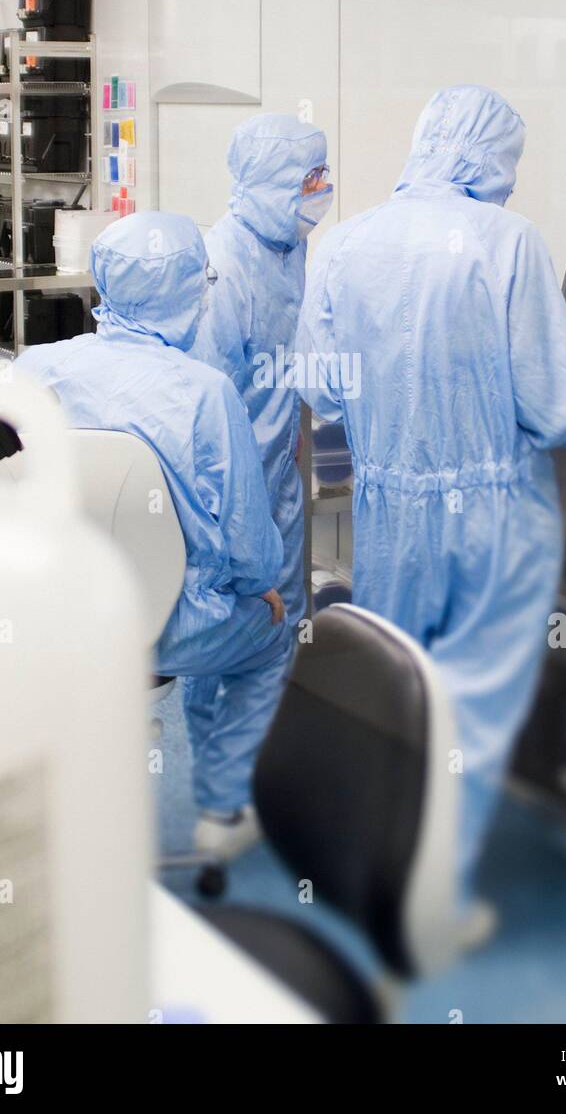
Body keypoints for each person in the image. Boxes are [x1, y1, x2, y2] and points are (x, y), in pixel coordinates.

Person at [295, 84, 566, 916]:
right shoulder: (506, 242)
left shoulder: (343, 244)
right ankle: (432, 903)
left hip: (388, 514)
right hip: (492, 519)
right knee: (469, 712)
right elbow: (559, 410)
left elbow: (324, 393)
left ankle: (377, 860)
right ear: (489, 162)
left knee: (397, 688)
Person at [14, 211, 290, 861]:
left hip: (60, 610)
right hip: (172, 621)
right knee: (272, 634)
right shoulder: (204, 392)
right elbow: (250, 545)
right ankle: (220, 810)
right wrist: (263, 590)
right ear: (185, 292)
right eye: (202, 285)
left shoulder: (36, 367)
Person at [188, 113, 332, 738]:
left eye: (323, 177)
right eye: (310, 180)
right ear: (272, 183)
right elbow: (208, 403)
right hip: (234, 481)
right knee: (232, 617)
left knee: (284, 615)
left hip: (280, 464)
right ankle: (216, 773)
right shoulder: (223, 263)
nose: (320, 192)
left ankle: (276, 755)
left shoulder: (290, 243)